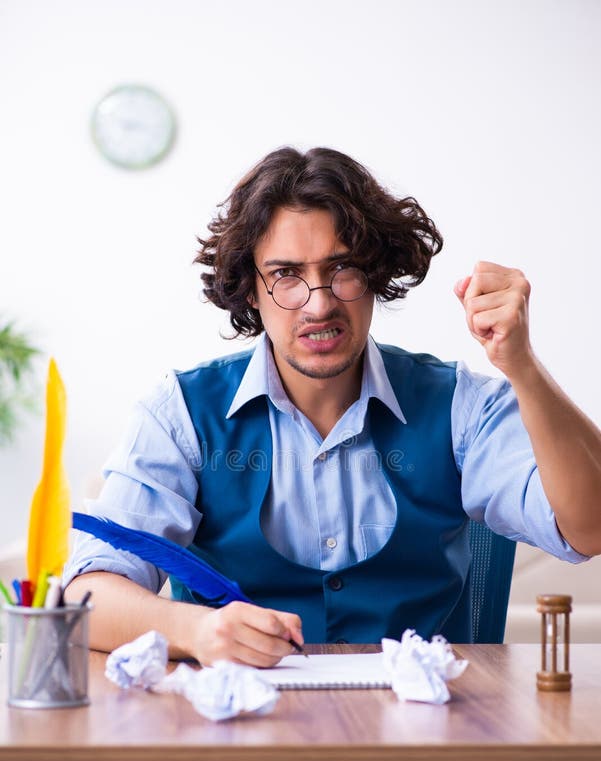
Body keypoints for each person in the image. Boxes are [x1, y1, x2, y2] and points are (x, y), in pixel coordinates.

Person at [64, 146, 601, 666]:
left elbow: (588, 529)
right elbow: (86, 595)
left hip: (429, 737)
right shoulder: (181, 415)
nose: (319, 303)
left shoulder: (462, 406)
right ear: (251, 290)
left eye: (342, 270)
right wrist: (198, 631)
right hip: (240, 735)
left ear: (376, 276)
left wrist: (522, 364)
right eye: (285, 276)